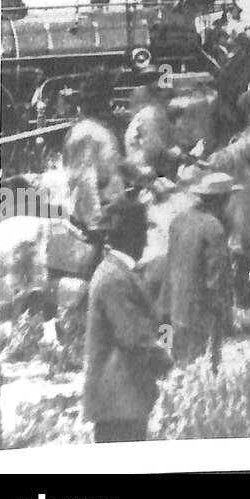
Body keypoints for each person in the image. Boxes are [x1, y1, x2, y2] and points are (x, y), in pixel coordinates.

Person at [83, 195, 173, 442]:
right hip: (119, 401)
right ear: (130, 237)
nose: (146, 240)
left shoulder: (117, 272)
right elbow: (134, 337)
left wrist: (165, 340)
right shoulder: (115, 278)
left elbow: (155, 324)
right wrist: (169, 364)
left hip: (122, 399)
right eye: (143, 232)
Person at [157, 171, 236, 372]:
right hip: (200, 316)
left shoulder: (179, 221)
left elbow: (169, 266)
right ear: (223, 199)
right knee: (203, 373)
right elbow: (216, 279)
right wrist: (224, 317)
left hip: (172, 309)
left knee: (175, 368)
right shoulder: (214, 228)